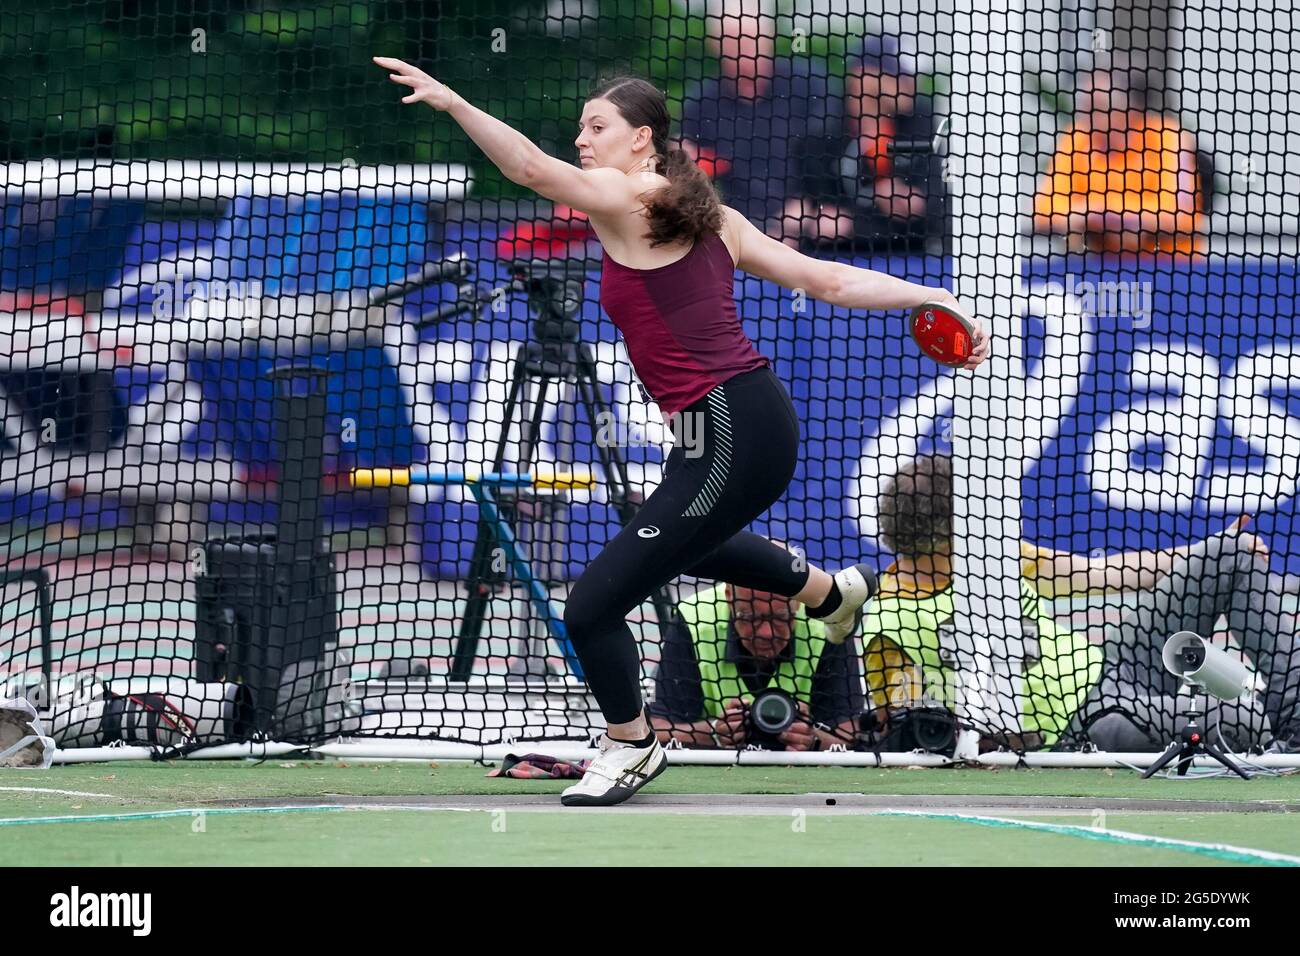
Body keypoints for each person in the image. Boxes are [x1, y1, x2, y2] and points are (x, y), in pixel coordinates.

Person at [374, 57, 989, 806]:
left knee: (590, 607)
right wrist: (930, 290)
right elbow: (825, 280)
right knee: (680, 541)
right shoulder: (710, 215)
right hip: (745, 427)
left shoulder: (628, 196)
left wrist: (452, 101)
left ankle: (632, 745)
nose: (582, 139)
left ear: (643, 140)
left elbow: (531, 170)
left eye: (597, 127)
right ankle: (831, 595)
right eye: (579, 128)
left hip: (729, 429)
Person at [863, 454, 1299, 752]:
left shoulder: (996, 554)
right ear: (947, 529)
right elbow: (915, 731)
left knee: (1233, 555)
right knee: (1242, 719)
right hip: (1085, 724)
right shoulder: (887, 624)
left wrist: (1202, 552)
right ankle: (1271, 735)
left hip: (1117, 664)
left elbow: (1105, 574)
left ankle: (1295, 729)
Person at [674, 5, 844, 245]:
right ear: (715, 45)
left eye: (750, 39)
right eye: (732, 41)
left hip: (811, 227)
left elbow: (831, 153)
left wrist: (810, 204)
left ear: (769, 39)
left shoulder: (810, 87)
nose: (743, 49)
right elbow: (693, 165)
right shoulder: (701, 103)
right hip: (734, 232)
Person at [648, 563, 864, 751]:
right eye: (750, 616)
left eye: (780, 618)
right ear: (729, 597)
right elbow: (658, 731)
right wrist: (714, 732)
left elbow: (847, 734)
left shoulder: (828, 623)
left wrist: (811, 739)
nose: (766, 633)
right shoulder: (694, 617)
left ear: (798, 602)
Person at [1031, 59, 1208, 256]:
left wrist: (1110, 213)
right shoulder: (1076, 139)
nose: (1086, 116)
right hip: (1100, 275)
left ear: (1131, 108)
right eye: (1083, 106)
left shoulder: (1170, 138)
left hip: (1172, 271)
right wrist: (1089, 214)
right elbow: (1043, 210)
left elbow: (1180, 213)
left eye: (1097, 107)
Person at [795, 35, 947, 252]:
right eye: (898, 75)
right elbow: (818, 217)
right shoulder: (823, 132)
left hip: (909, 260)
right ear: (863, 76)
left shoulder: (920, 123)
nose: (911, 83)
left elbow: (935, 210)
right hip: (839, 263)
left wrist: (854, 223)